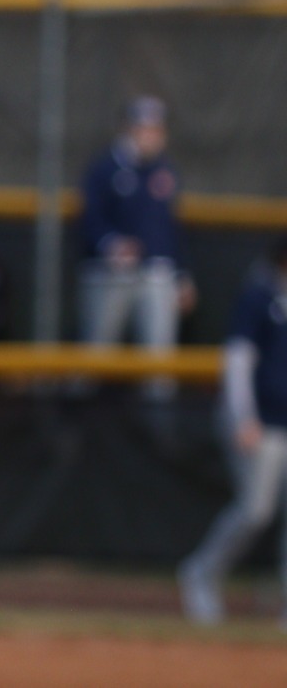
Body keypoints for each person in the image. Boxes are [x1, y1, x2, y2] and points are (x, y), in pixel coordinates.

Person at [179, 235, 287, 625]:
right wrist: (244, 417)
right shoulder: (258, 297)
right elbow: (238, 361)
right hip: (260, 424)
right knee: (256, 511)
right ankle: (201, 573)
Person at [79, 96, 191, 399]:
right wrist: (112, 245)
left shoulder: (165, 172)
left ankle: (159, 436)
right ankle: (76, 429)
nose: (151, 135)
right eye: (144, 128)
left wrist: (181, 275)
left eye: (156, 129)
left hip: (156, 274)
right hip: (111, 274)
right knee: (94, 360)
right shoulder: (104, 169)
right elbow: (90, 221)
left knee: (159, 369)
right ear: (129, 129)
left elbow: (170, 229)